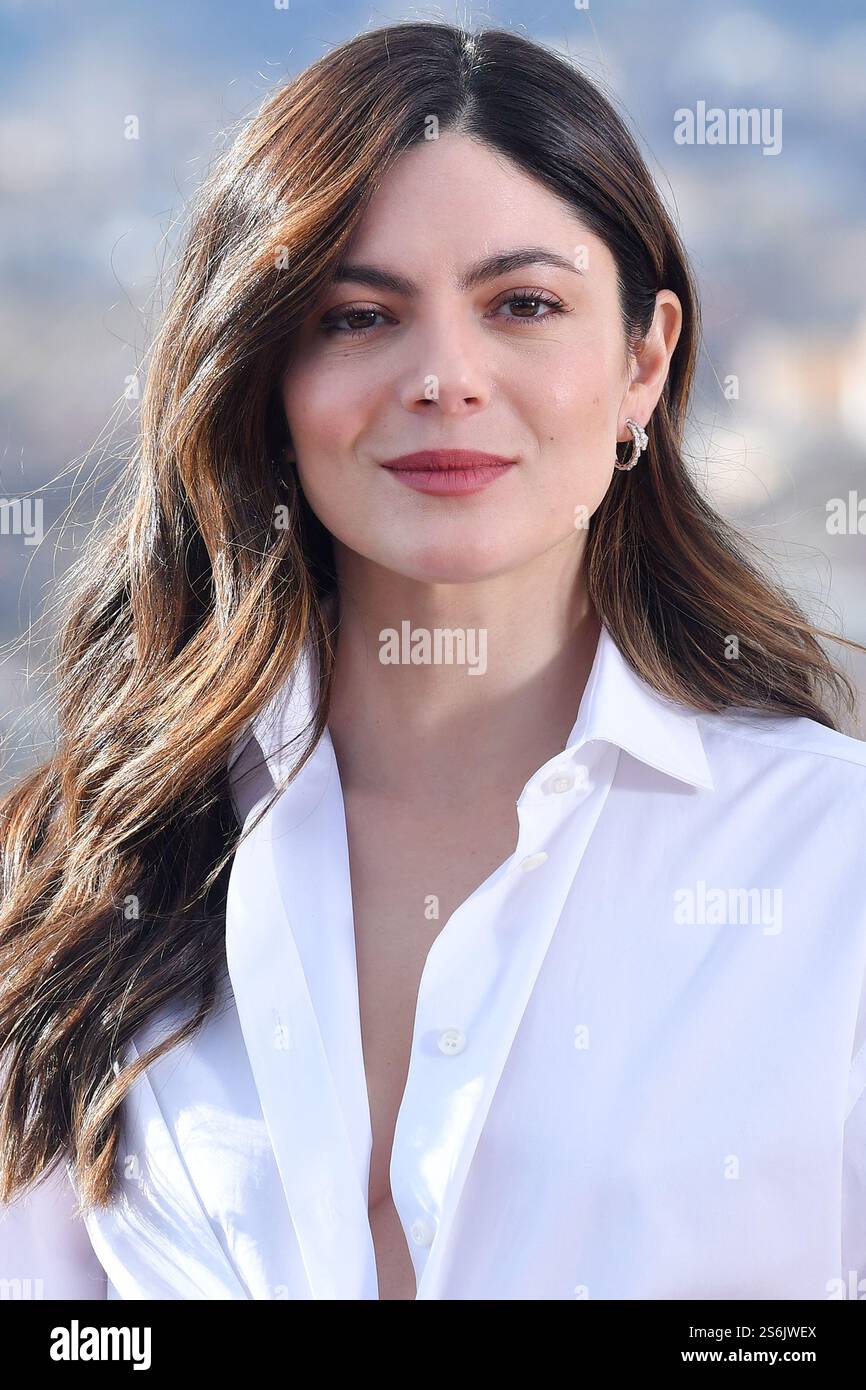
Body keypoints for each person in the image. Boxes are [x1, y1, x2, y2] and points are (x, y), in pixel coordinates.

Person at [1, 20, 865, 1302]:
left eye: (521, 305)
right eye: (359, 315)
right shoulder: (76, 875)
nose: (445, 377)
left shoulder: (832, 868)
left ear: (642, 361)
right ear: (265, 380)